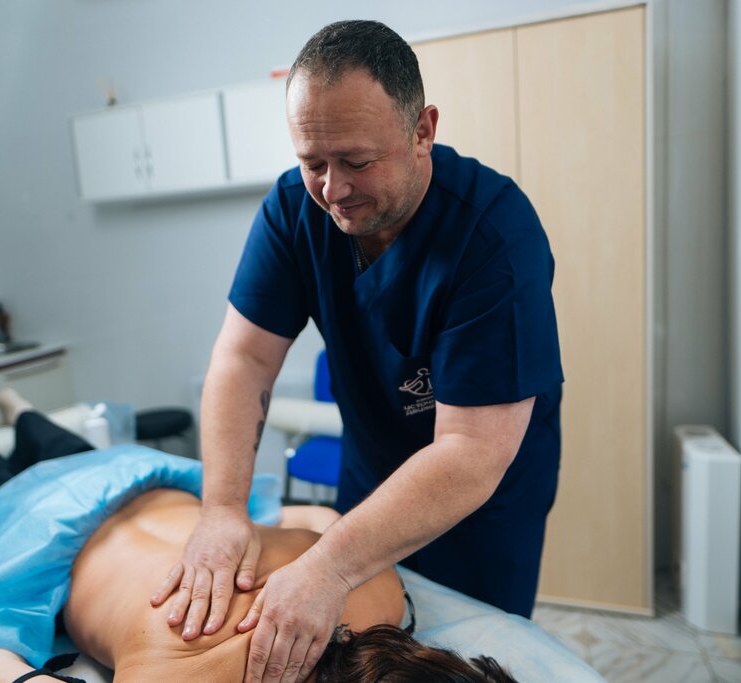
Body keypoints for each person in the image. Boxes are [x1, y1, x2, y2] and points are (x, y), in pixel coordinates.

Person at [154, 19, 564, 683]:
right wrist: (223, 508)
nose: (332, 189)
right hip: (372, 470)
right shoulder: (296, 212)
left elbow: (473, 451)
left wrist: (328, 565)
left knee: (456, 666)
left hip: (480, 504)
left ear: (422, 130)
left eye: (356, 161)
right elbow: (243, 359)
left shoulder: (493, 238)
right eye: (312, 162)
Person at [0, 395, 520, 683]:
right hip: (28, 535)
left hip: (137, 478)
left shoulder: (375, 583)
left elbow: (315, 524)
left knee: (49, 450)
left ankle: (8, 413)